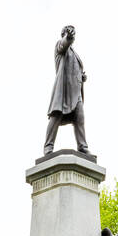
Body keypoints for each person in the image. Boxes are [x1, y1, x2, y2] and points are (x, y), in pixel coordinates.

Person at [44, 25, 88, 155]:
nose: (72, 33)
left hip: (76, 92)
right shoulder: (61, 46)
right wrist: (68, 36)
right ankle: (48, 146)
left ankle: (82, 146)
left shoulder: (75, 54)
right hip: (64, 90)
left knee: (79, 117)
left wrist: (81, 77)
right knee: (56, 116)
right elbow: (64, 44)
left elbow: (75, 69)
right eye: (69, 31)